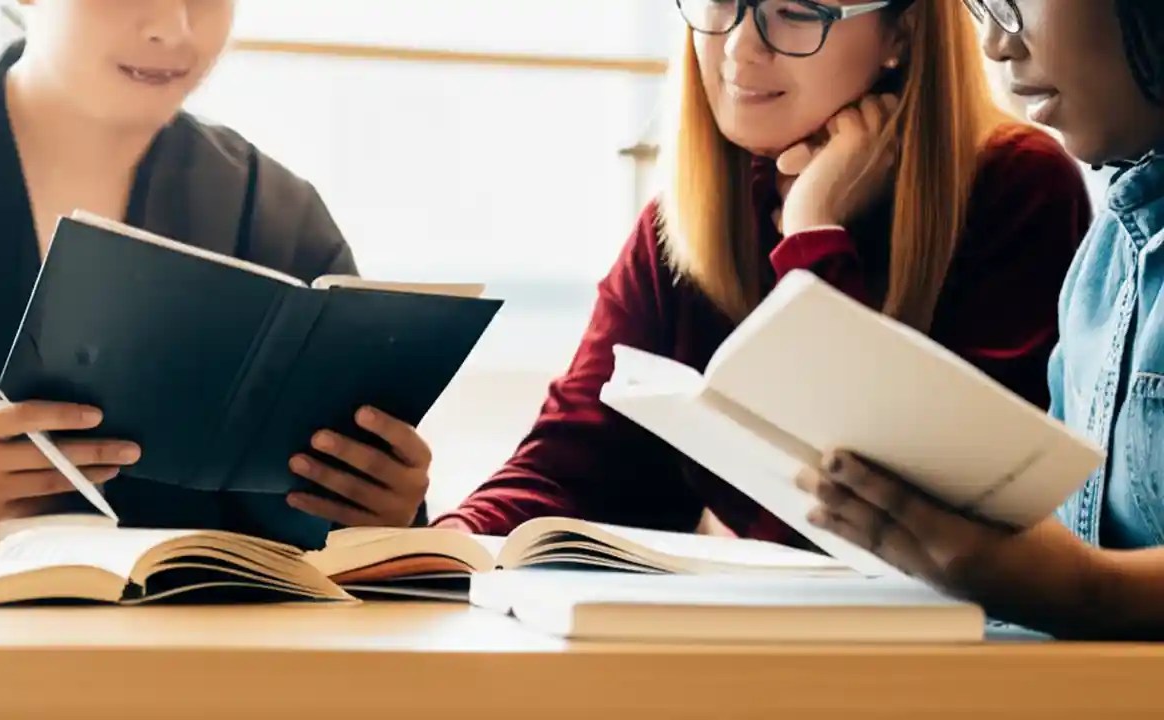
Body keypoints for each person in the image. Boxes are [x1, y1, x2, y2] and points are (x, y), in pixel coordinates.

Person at [435, 0, 1091, 544]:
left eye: (796, 12)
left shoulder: (1016, 188)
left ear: (902, 31)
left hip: (933, 645)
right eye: (721, 2)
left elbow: (864, 511)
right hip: (766, 637)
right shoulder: (689, 221)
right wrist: (436, 544)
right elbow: (569, 466)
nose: (740, 48)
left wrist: (813, 233)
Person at [0, 0, 431, 546]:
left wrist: (387, 510)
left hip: (210, 604)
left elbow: (353, 532)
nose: (174, 29)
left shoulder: (278, 213)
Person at [796, 0, 1164, 640]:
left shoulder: (1018, 182)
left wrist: (1084, 588)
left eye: (1016, 2)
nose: (995, 44)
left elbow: (1072, 581)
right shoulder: (1105, 256)